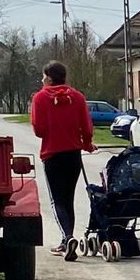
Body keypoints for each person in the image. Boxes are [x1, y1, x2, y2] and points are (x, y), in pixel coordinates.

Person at [31, 61, 95, 262]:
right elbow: (86, 126)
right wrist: (87, 143)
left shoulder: (40, 98)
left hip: (52, 155)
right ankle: (66, 239)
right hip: (73, 156)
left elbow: (39, 130)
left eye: (43, 77)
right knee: (68, 200)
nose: (42, 80)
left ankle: (67, 238)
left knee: (56, 200)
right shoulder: (77, 97)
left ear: (49, 77)